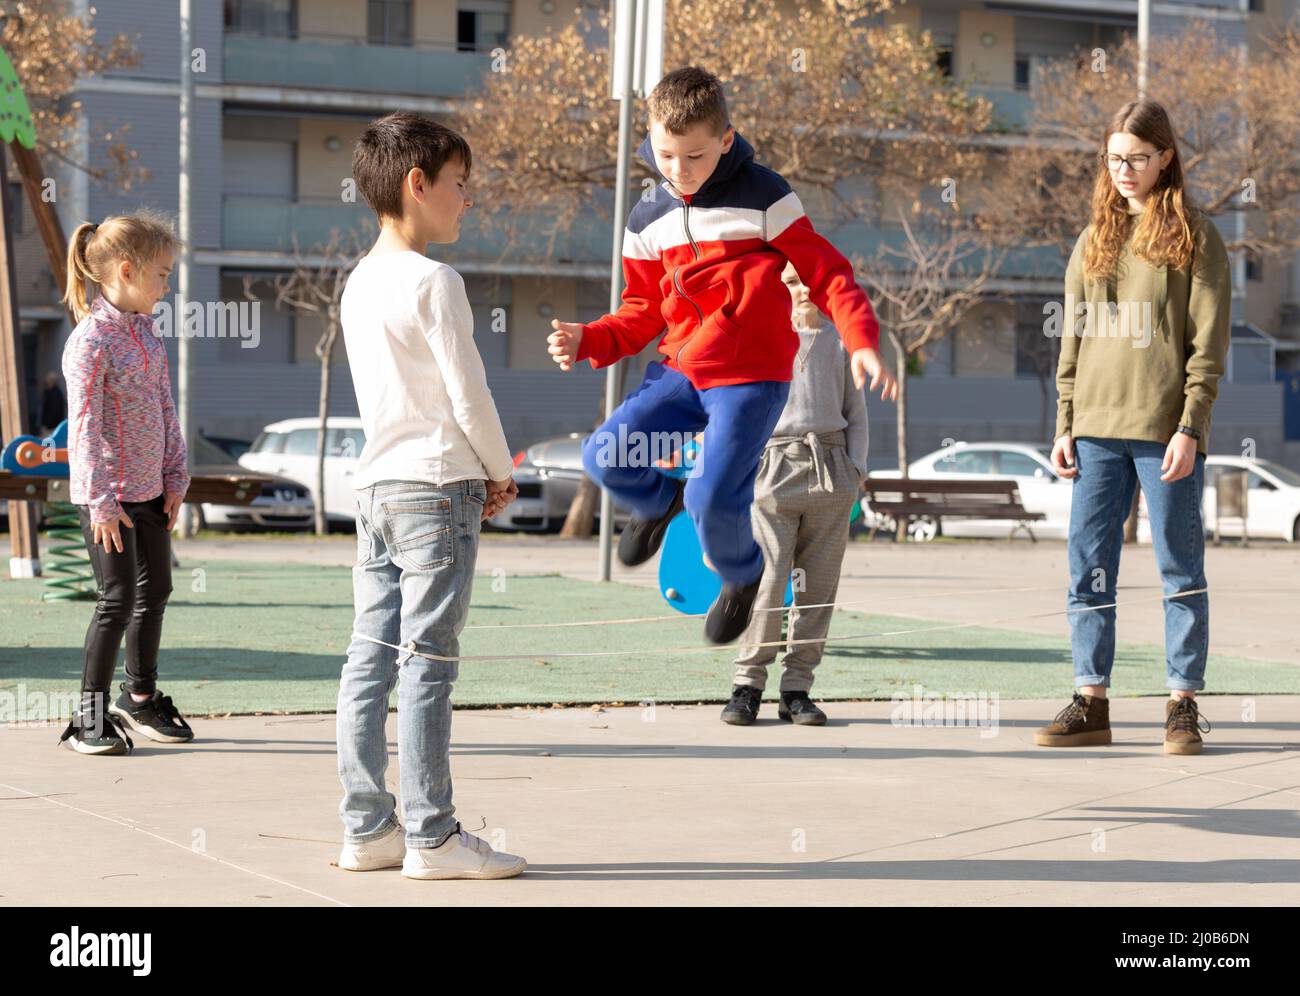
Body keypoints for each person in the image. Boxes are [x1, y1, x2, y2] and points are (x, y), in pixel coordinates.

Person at [548, 66, 896, 645]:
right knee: (604, 455)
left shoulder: (766, 196)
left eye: (696, 157)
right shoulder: (647, 218)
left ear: (726, 140)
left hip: (751, 377)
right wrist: (589, 338)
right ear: (651, 139)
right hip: (681, 370)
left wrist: (860, 340)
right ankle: (661, 501)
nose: (680, 172)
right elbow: (641, 310)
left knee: (714, 496)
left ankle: (742, 573)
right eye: (666, 156)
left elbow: (828, 272)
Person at [335, 111, 527, 880]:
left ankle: (366, 829)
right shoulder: (435, 281)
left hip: (376, 485)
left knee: (369, 657)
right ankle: (433, 836)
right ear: (418, 185)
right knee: (428, 664)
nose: (466, 199)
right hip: (437, 483)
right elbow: (468, 395)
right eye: (458, 184)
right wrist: (499, 471)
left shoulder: (357, 280)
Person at [1036, 98, 1230, 756]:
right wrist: (1064, 420)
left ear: (1165, 157)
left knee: (1180, 567)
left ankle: (1182, 703)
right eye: (1114, 158)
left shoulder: (1197, 236)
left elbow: (1207, 346)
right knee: (1089, 567)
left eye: (1137, 158)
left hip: (1165, 432)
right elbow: (1074, 337)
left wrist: (1190, 426)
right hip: (1094, 429)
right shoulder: (1095, 237)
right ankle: (1091, 702)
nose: (1124, 170)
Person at [58, 212, 194, 755]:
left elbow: (165, 406)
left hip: (151, 493)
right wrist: (101, 501)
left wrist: (175, 474)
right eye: (162, 274)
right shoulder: (89, 342)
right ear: (126, 270)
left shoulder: (147, 333)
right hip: (108, 501)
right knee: (116, 599)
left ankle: (138, 698)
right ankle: (87, 717)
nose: (168, 284)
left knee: (155, 591)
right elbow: (85, 426)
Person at [723, 263, 868, 726]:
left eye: (808, 281)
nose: (801, 290)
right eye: (790, 282)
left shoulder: (840, 339)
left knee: (817, 590)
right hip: (773, 469)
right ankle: (747, 685)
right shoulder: (759, 337)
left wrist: (855, 472)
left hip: (831, 470)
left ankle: (797, 689)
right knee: (767, 581)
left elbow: (856, 411)